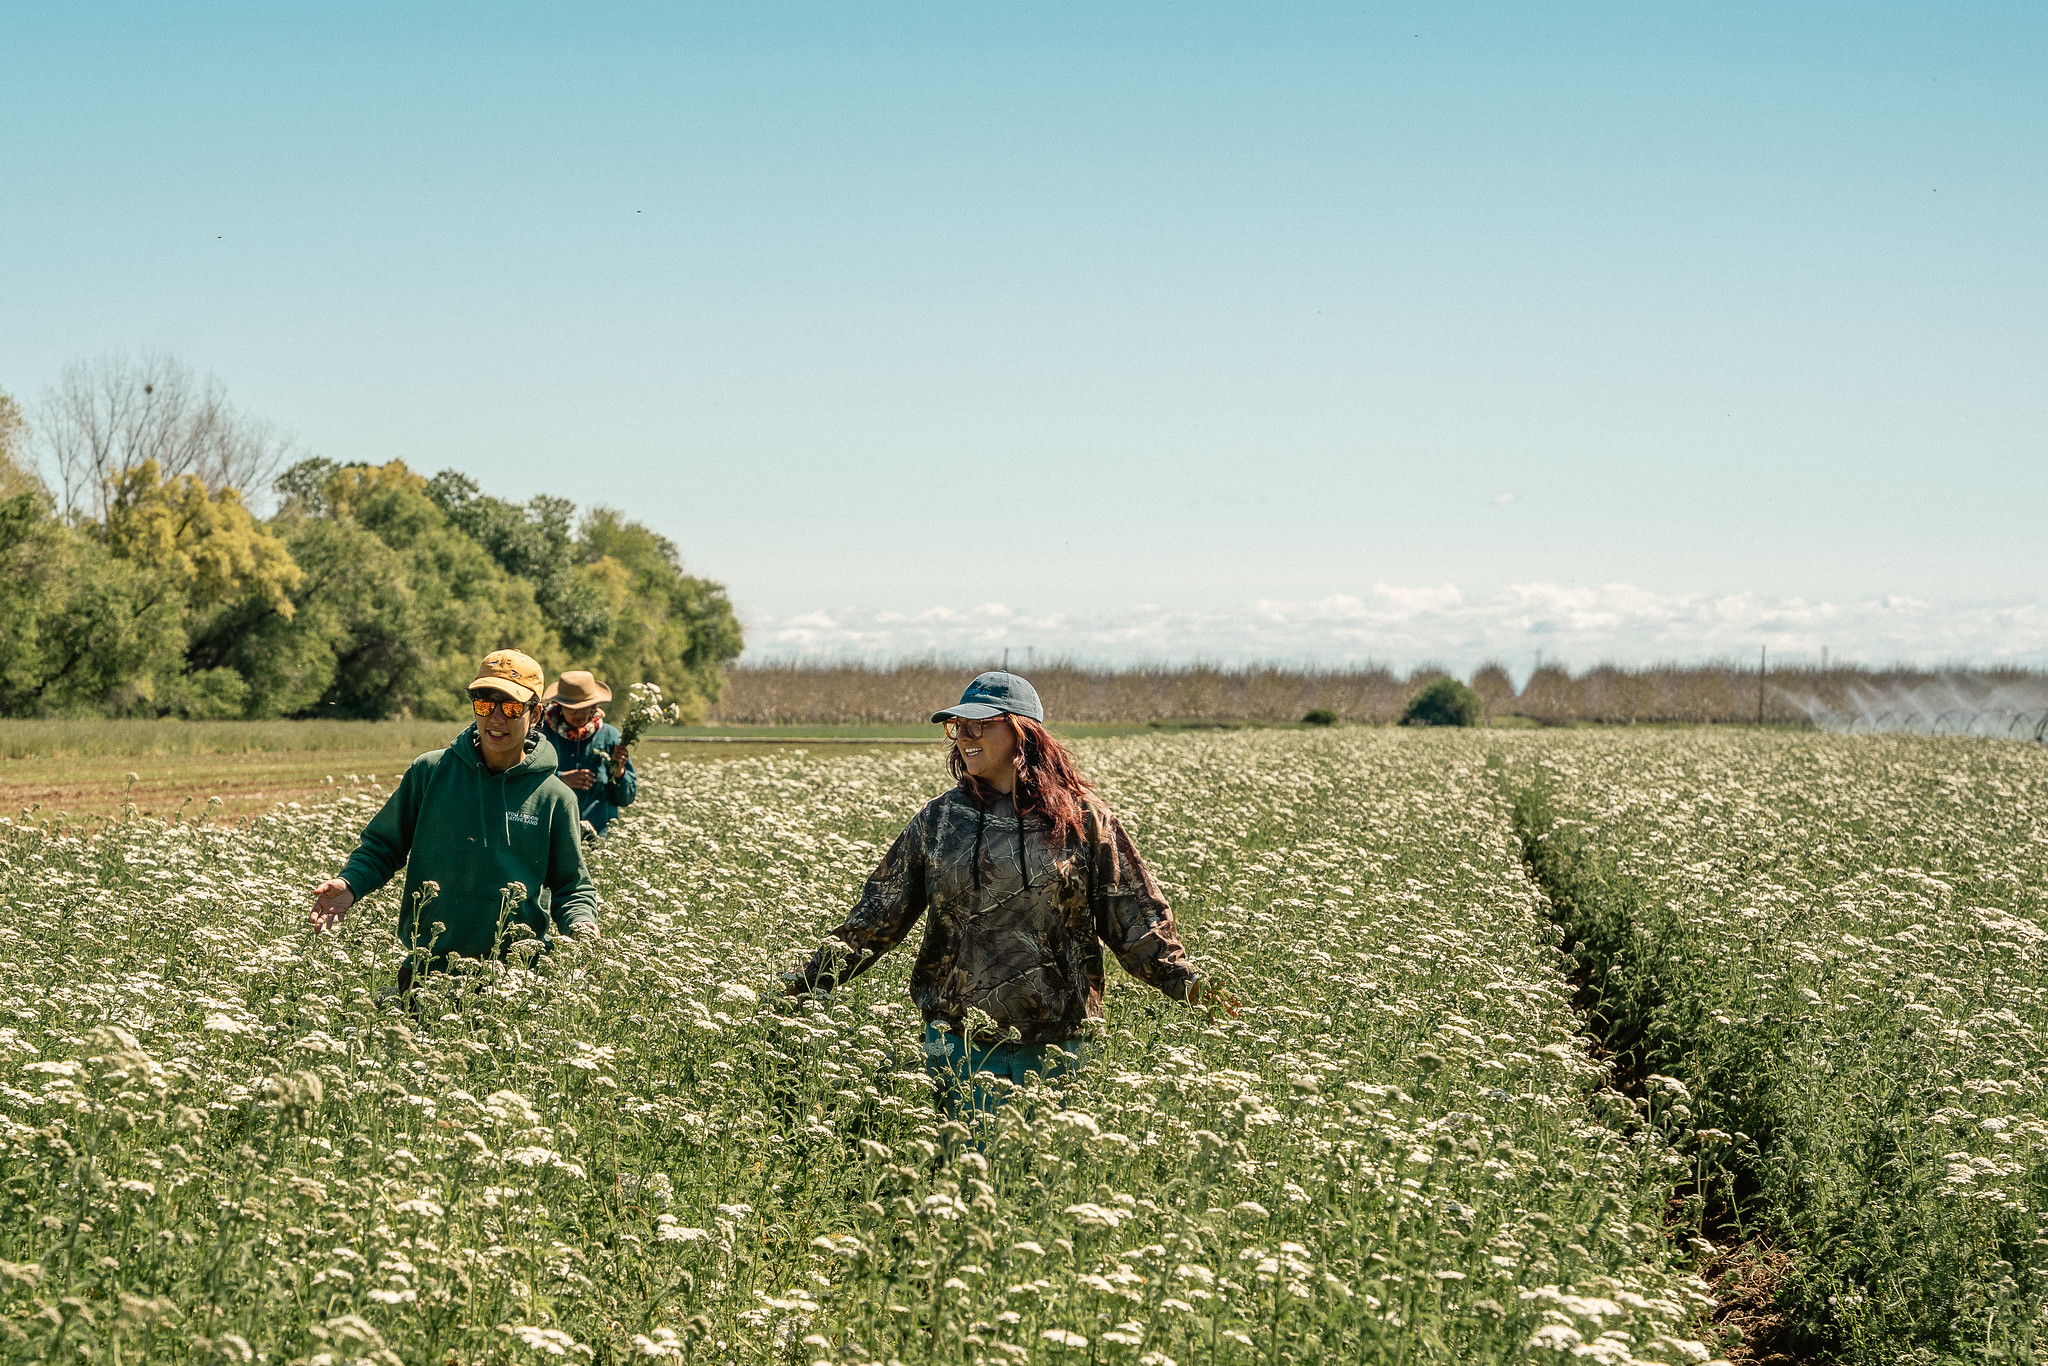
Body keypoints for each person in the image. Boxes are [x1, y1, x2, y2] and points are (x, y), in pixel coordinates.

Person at [783, 670, 1232, 1117]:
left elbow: (1135, 921)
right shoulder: (938, 822)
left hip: (1059, 1048)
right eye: (958, 725)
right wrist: (800, 986)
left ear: (1022, 733)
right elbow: (874, 922)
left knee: (1045, 1183)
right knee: (966, 1180)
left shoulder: (1084, 821)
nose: (964, 736)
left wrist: (1193, 986)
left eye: (980, 723)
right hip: (959, 1047)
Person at [309, 649, 601, 987]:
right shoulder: (430, 772)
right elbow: (383, 846)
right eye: (483, 704)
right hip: (426, 971)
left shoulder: (555, 798)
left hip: (513, 984)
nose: (495, 719)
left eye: (510, 707)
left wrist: (582, 924)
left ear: (536, 714)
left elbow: (571, 885)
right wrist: (350, 884)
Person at [540, 670, 636, 839]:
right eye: (572, 708)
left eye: (584, 708)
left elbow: (626, 798)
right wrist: (561, 780)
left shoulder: (610, 736)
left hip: (598, 839)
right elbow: (526, 783)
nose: (578, 714)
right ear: (560, 707)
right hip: (553, 835)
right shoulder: (542, 735)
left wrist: (619, 771)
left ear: (594, 706)